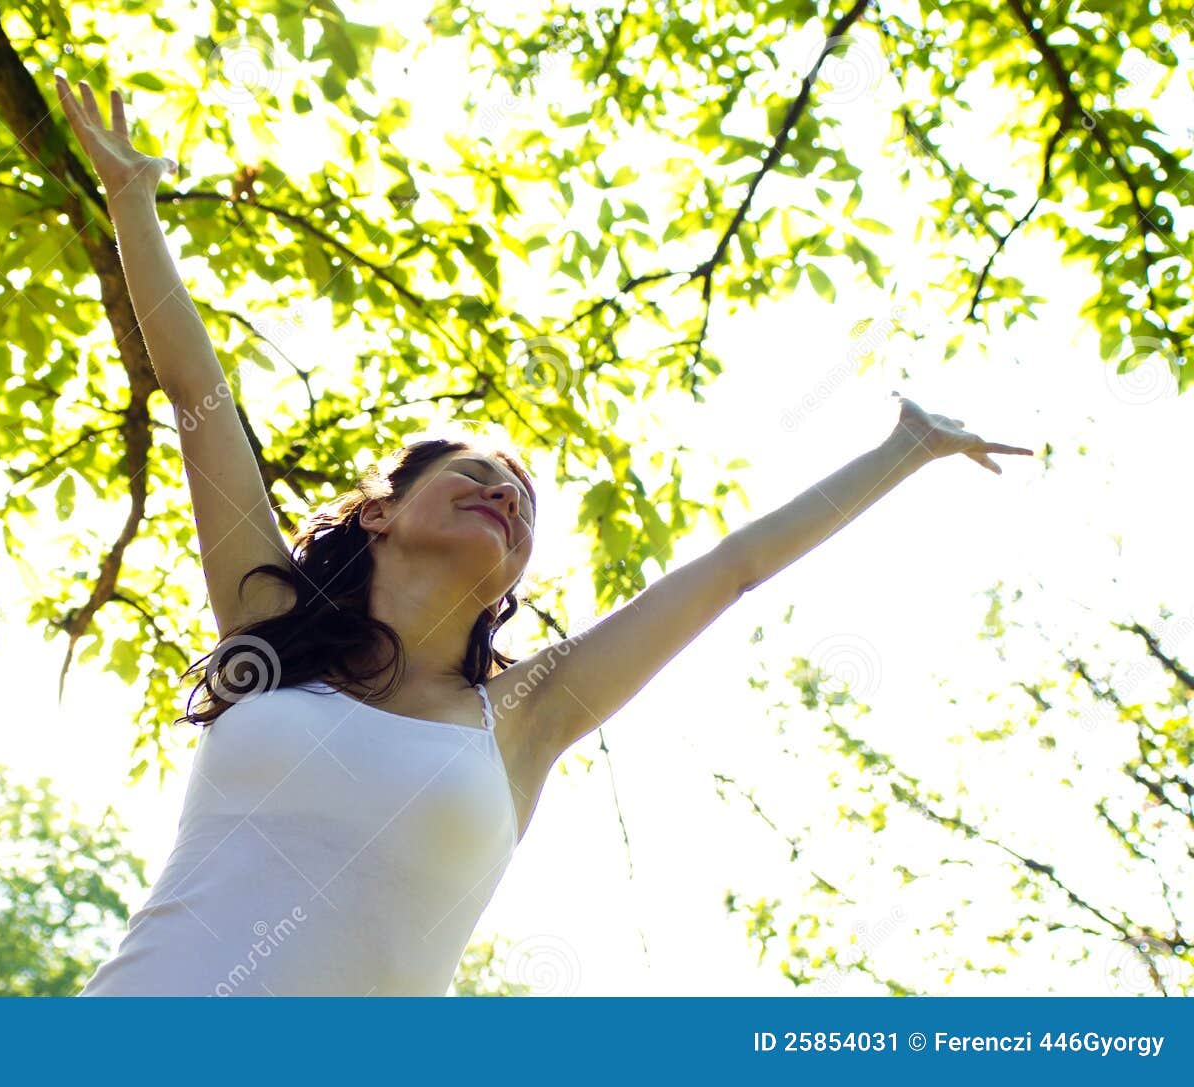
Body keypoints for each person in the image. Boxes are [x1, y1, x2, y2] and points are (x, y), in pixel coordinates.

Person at [53, 73, 1035, 996]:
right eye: (476, 474)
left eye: (523, 500)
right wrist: (133, 202)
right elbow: (198, 393)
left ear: (513, 576)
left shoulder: (525, 714)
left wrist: (903, 449)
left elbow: (734, 568)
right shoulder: (267, 620)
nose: (505, 492)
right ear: (383, 511)